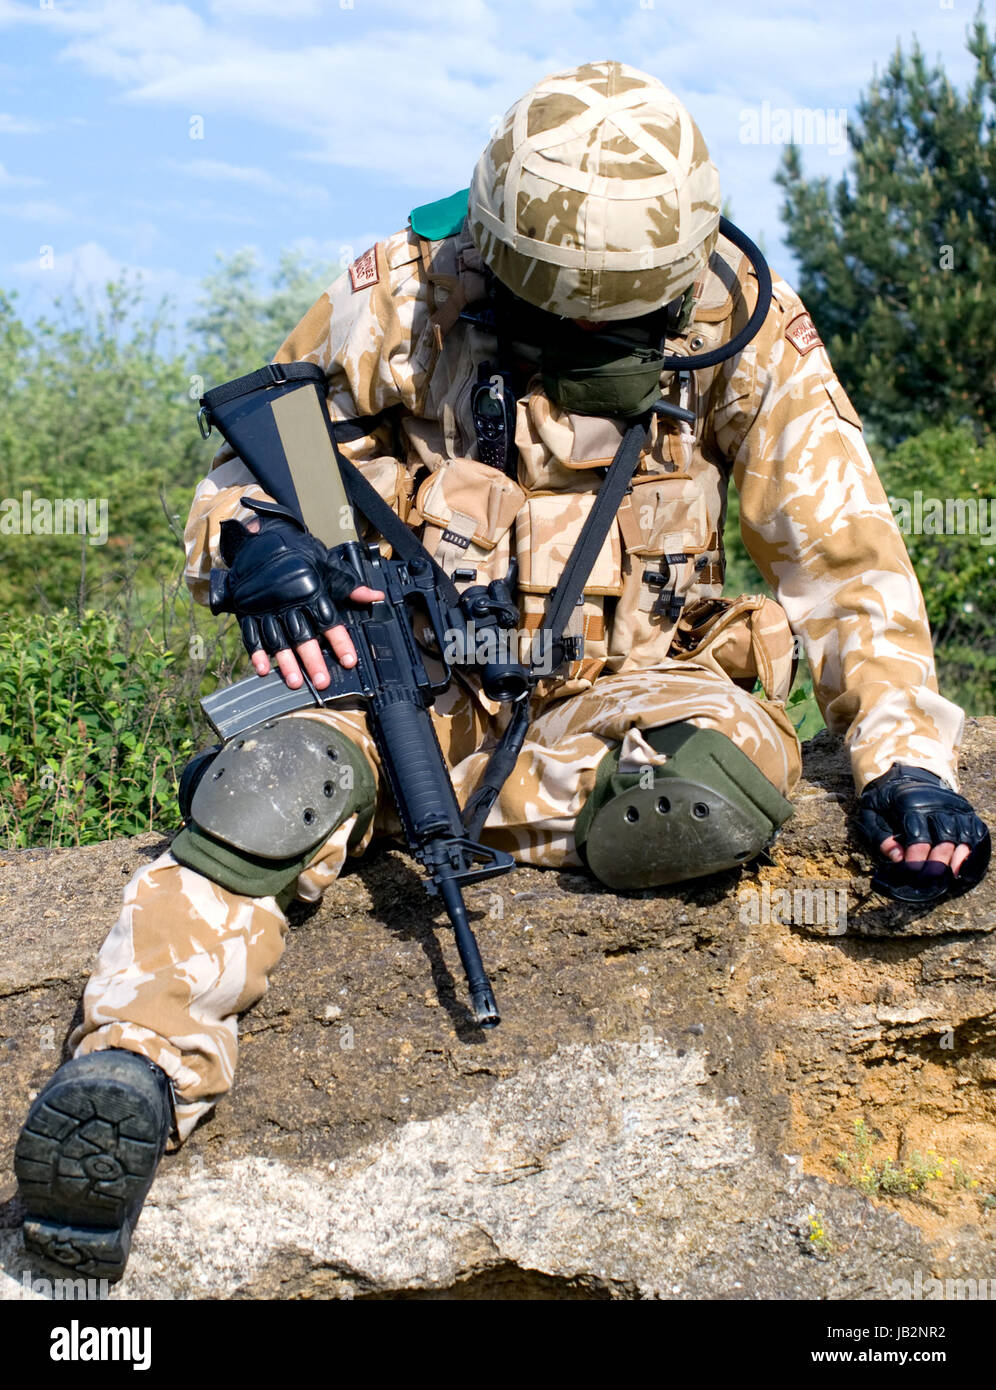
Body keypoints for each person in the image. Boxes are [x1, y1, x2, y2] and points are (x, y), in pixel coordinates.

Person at [15, 60, 989, 1283]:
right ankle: (132, 1073)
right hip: (395, 683)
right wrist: (261, 545)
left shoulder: (737, 320)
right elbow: (259, 468)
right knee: (270, 793)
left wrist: (907, 762)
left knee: (718, 790)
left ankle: (384, 823)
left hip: (618, 689)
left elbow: (845, 561)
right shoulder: (399, 294)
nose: (588, 346)